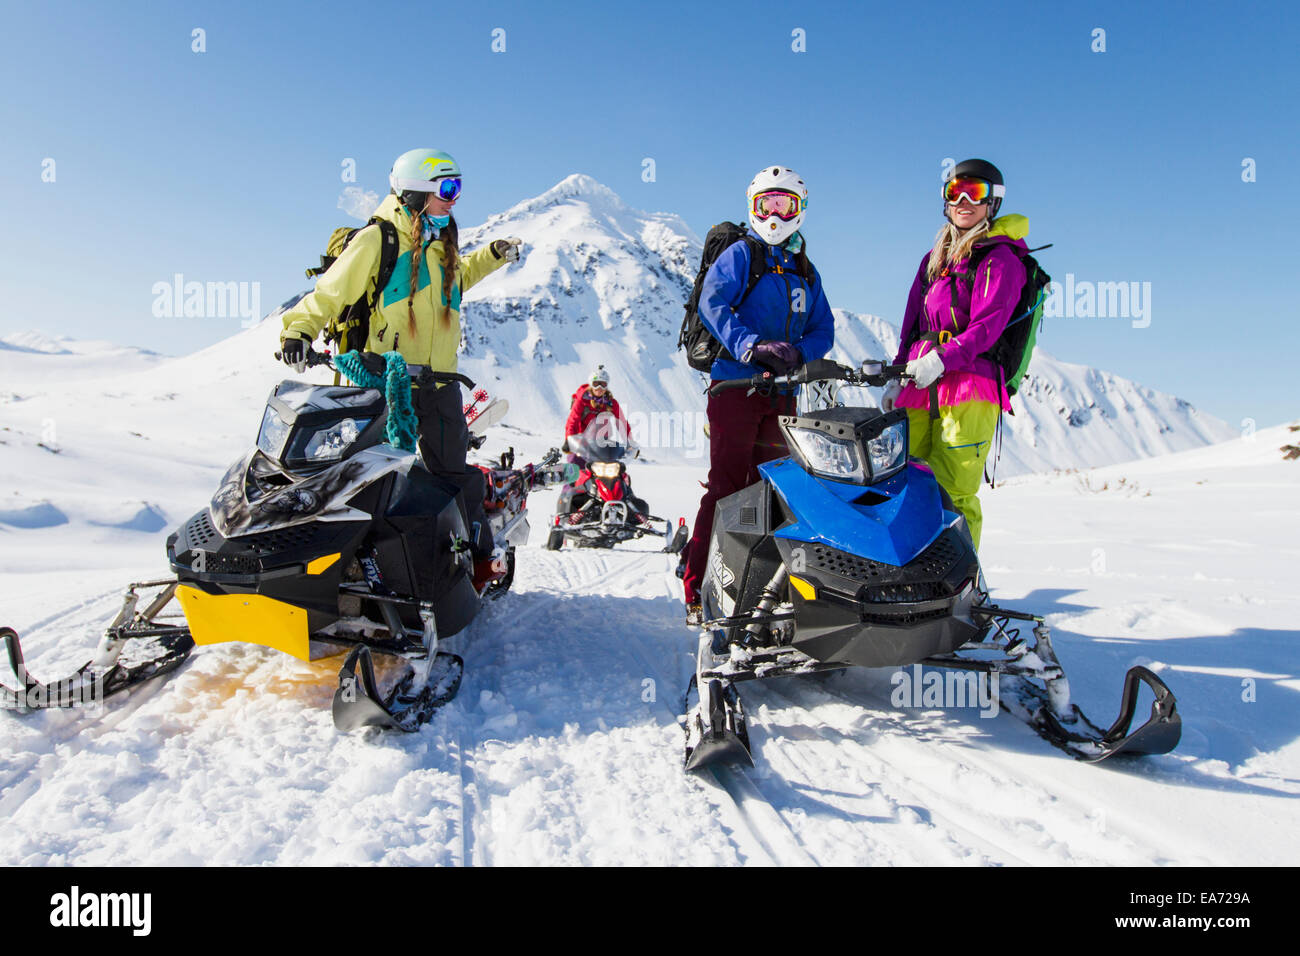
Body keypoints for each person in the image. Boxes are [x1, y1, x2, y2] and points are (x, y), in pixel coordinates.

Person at [278, 147, 523, 557]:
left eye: (457, 187)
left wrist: (492, 256)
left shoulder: (441, 242)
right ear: (414, 192)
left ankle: (467, 562)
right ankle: (372, 563)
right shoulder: (379, 239)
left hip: (440, 382)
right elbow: (331, 292)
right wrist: (298, 331)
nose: (454, 197)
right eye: (447, 187)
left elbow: (458, 281)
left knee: (452, 475)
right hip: (388, 384)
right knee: (380, 479)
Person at [681, 166, 835, 625]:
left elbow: (823, 328)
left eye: (783, 203)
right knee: (728, 487)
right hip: (735, 387)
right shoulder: (741, 254)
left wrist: (799, 353)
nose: (774, 213)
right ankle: (696, 585)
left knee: (774, 489)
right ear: (752, 207)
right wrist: (751, 345)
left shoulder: (806, 269)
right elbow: (713, 303)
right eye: (765, 203)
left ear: (798, 210)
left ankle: (757, 584)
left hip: (783, 395)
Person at [881, 158, 1027, 551]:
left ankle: (962, 586)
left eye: (975, 193)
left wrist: (943, 359)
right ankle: (910, 579)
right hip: (919, 383)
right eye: (955, 191)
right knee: (904, 482)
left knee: (954, 490)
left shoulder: (1000, 259)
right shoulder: (934, 258)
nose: (964, 200)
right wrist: (898, 375)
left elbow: (987, 327)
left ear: (992, 202)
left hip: (970, 385)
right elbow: (912, 324)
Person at [563, 365, 631, 466]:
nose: (599, 388)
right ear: (591, 384)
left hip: (602, 444)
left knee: (616, 470)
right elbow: (573, 421)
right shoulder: (582, 400)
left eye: (603, 384)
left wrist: (629, 442)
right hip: (582, 443)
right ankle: (571, 482)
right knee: (574, 466)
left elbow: (621, 422)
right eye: (596, 384)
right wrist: (569, 439)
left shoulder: (611, 403)